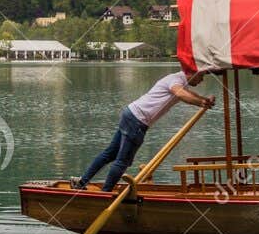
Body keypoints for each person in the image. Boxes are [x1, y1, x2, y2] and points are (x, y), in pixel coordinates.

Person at [75, 69, 214, 193]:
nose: (202, 80)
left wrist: (204, 100)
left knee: (110, 153)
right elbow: (180, 93)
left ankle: (82, 182)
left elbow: (187, 93)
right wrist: (201, 102)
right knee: (123, 161)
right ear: (192, 72)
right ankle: (106, 193)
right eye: (201, 76)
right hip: (137, 120)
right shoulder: (176, 81)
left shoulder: (178, 80)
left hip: (130, 113)